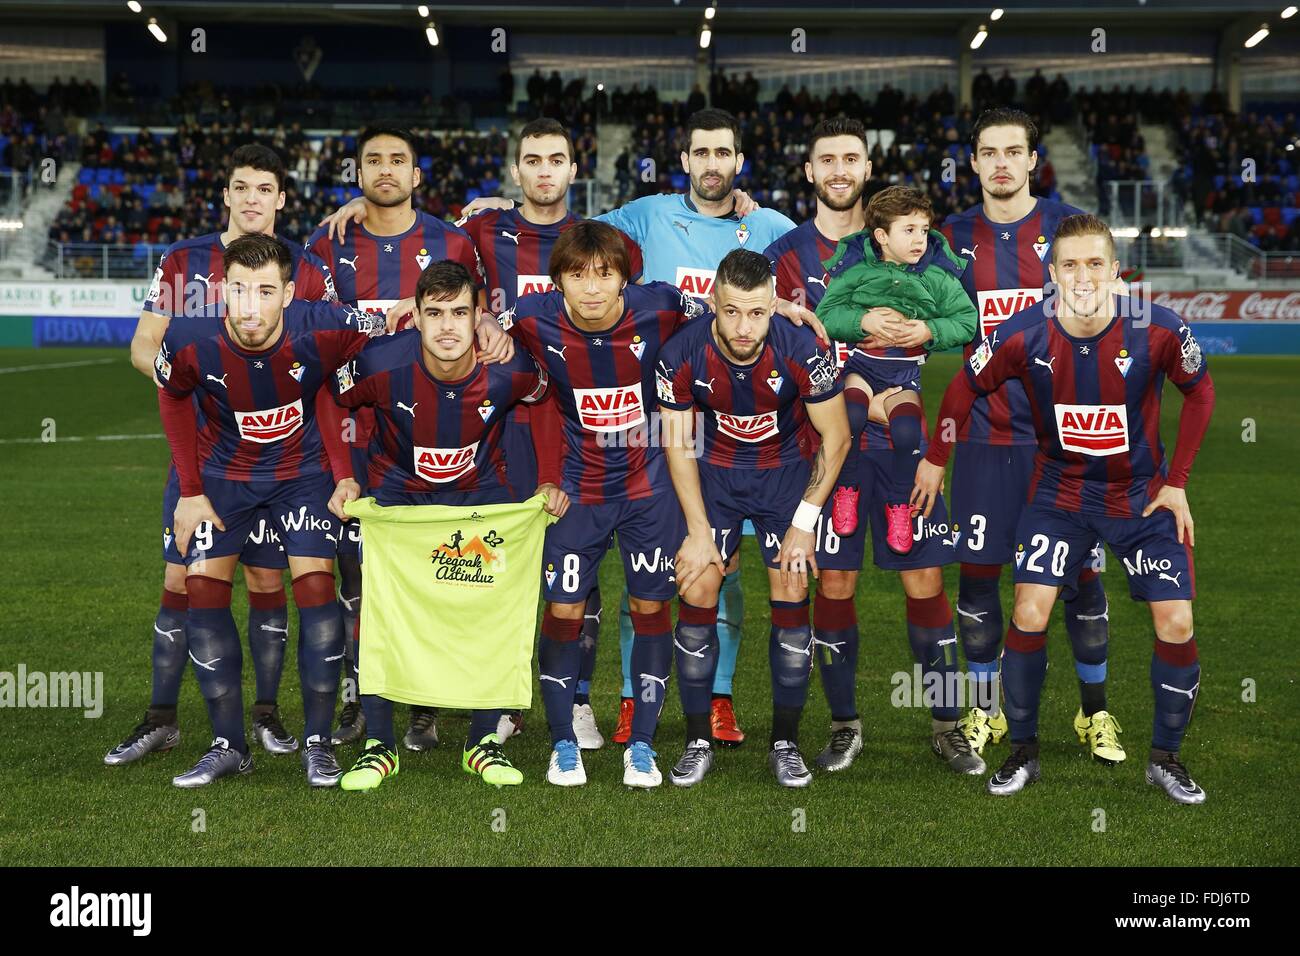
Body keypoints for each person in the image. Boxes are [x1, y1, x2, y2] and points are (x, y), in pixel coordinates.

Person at [912, 214, 1215, 803]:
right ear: (1052, 274)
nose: (1082, 276)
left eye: (1094, 264)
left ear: (1115, 270)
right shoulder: (1024, 332)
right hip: (1059, 495)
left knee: (1176, 622)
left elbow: (1199, 390)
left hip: (1139, 497)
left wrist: (1177, 482)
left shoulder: (1158, 328)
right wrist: (935, 455)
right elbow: (963, 388)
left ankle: (1165, 759)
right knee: (1030, 610)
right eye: (1069, 265)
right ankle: (1024, 752)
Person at [107, 144, 338, 767]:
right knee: (180, 578)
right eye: (242, 187)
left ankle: (265, 715)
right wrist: (199, 384)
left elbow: (324, 357)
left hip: (285, 461)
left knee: (269, 578)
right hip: (208, 460)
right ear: (227, 194)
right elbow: (144, 346)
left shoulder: (309, 266)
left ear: (282, 199)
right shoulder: (184, 261)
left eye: (265, 188)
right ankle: (161, 718)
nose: (253, 198)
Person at [153, 234, 384, 787]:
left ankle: (318, 743)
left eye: (264, 290)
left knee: (315, 590)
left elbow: (379, 344)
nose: (249, 304)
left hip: (301, 476)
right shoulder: (188, 337)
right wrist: (189, 490)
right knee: (203, 591)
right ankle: (228, 744)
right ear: (220, 290)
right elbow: (172, 396)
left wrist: (344, 471)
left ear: (288, 293)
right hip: (222, 477)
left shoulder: (326, 324)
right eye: (237, 289)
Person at [327, 260, 562, 789]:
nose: (448, 326)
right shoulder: (381, 363)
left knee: (484, 613)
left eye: (460, 312)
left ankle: (481, 742)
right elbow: (331, 397)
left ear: (481, 316)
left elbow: (543, 401)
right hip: (400, 500)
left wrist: (548, 478)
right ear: (416, 316)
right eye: (434, 313)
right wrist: (345, 476)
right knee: (385, 612)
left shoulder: (509, 367)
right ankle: (379, 745)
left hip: (480, 497)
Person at [304, 124, 500, 752]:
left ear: (418, 175)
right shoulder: (326, 242)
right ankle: (362, 696)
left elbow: (486, 317)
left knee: (437, 570)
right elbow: (307, 325)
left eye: (398, 161)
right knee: (359, 577)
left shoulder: (453, 240)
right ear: (356, 175)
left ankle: (426, 703)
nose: (385, 170)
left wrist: (497, 204)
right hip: (347, 428)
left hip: (428, 429)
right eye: (372, 161)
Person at [938, 108, 1122, 765]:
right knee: (982, 579)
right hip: (986, 440)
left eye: (1014, 151)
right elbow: (888, 266)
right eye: (989, 152)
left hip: (1064, 442)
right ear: (975, 162)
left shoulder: (1069, 228)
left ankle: (1094, 713)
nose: (1002, 163)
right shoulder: (950, 236)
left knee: (1081, 579)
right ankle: (985, 711)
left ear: (1033, 160)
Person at [503, 221, 701, 788]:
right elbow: (485, 332)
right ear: (558, 280)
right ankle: (563, 742)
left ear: (624, 280)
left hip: (649, 491)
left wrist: (783, 309)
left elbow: (722, 309)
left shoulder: (662, 306)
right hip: (577, 492)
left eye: (605, 275)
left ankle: (642, 746)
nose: (591, 288)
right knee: (564, 610)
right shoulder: (533, 317)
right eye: (577, 275)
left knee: (650, 611)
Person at [657, 249, 849, 787]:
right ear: (712, 302)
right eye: (733, 311)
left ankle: (785, 742)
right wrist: (697, 531)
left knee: (791, 603)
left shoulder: (803, 349)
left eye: (758, 313)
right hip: (713, 477)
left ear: (774, 307)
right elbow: (675, 443)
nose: (745, 328)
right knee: (697, 591)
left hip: (784, 478)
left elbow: (836, 437)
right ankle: (698, 739)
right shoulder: (681, 354)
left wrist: (804, 521)